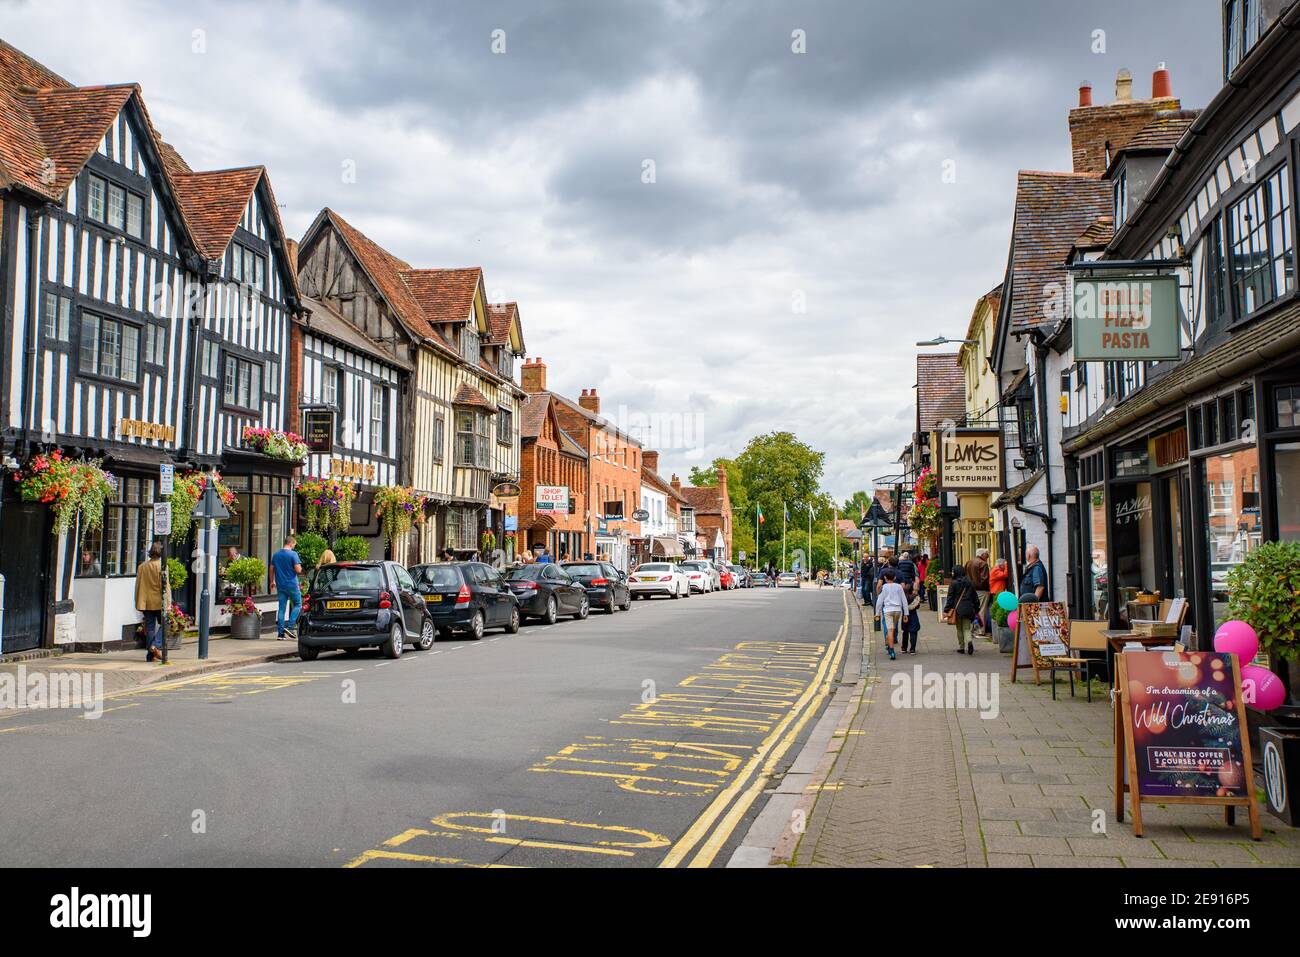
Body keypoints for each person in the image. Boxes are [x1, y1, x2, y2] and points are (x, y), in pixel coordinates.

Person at [135, 543, 169, 662]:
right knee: (166, 624)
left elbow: (138, 585)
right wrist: (168, 603)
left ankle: (150, 656)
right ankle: (155, 645)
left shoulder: (142, 567)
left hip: (146, 602)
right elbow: (166, 586)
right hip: (159, 602)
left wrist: (137, 601)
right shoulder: (162, 566)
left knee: (149, 628)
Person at [271, 535, 304, 640]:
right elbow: (298, 570)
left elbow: (271, 569)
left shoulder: (276, 555)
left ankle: (280, 634)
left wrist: (272, 581)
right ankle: (290, 626)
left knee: (281, 608)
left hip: (280, 585)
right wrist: (300, 567)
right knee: (298, 604)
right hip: (292, 584)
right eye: (294, 545)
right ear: (291, 543)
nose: (294, 547)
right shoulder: (293, 554)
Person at [943, 564, 980, 655]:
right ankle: (969, 641)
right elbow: (975, 597)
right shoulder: (969, 582)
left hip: (958, 609)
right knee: (967, 628)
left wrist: (946, 610)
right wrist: (976, 608)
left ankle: (962, 647)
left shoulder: (953, 583)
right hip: (968, 608)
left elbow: (950, 598)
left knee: (959, 629)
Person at [874, 567, 908, 661]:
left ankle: (892, 651)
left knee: (890, 630)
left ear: (885, 578)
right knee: (893, 629)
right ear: (894, 578)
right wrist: (906, 613)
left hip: (888, 610)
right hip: (897, 610)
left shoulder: (884, 587)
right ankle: (889, 643)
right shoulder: (899, 586)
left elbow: (880, 601)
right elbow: (904, 600)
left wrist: (877, 613)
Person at [964, 548, 991, 635]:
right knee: (981, 610)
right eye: (987, 554)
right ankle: (981, 630)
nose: (988, 556)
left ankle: (972, 629)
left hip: (971, 590)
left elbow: (965, 576)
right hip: (982, 590)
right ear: (982, 555)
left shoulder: (969, 562)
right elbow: (985, 579)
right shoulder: (983, 564)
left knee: (973, 609)